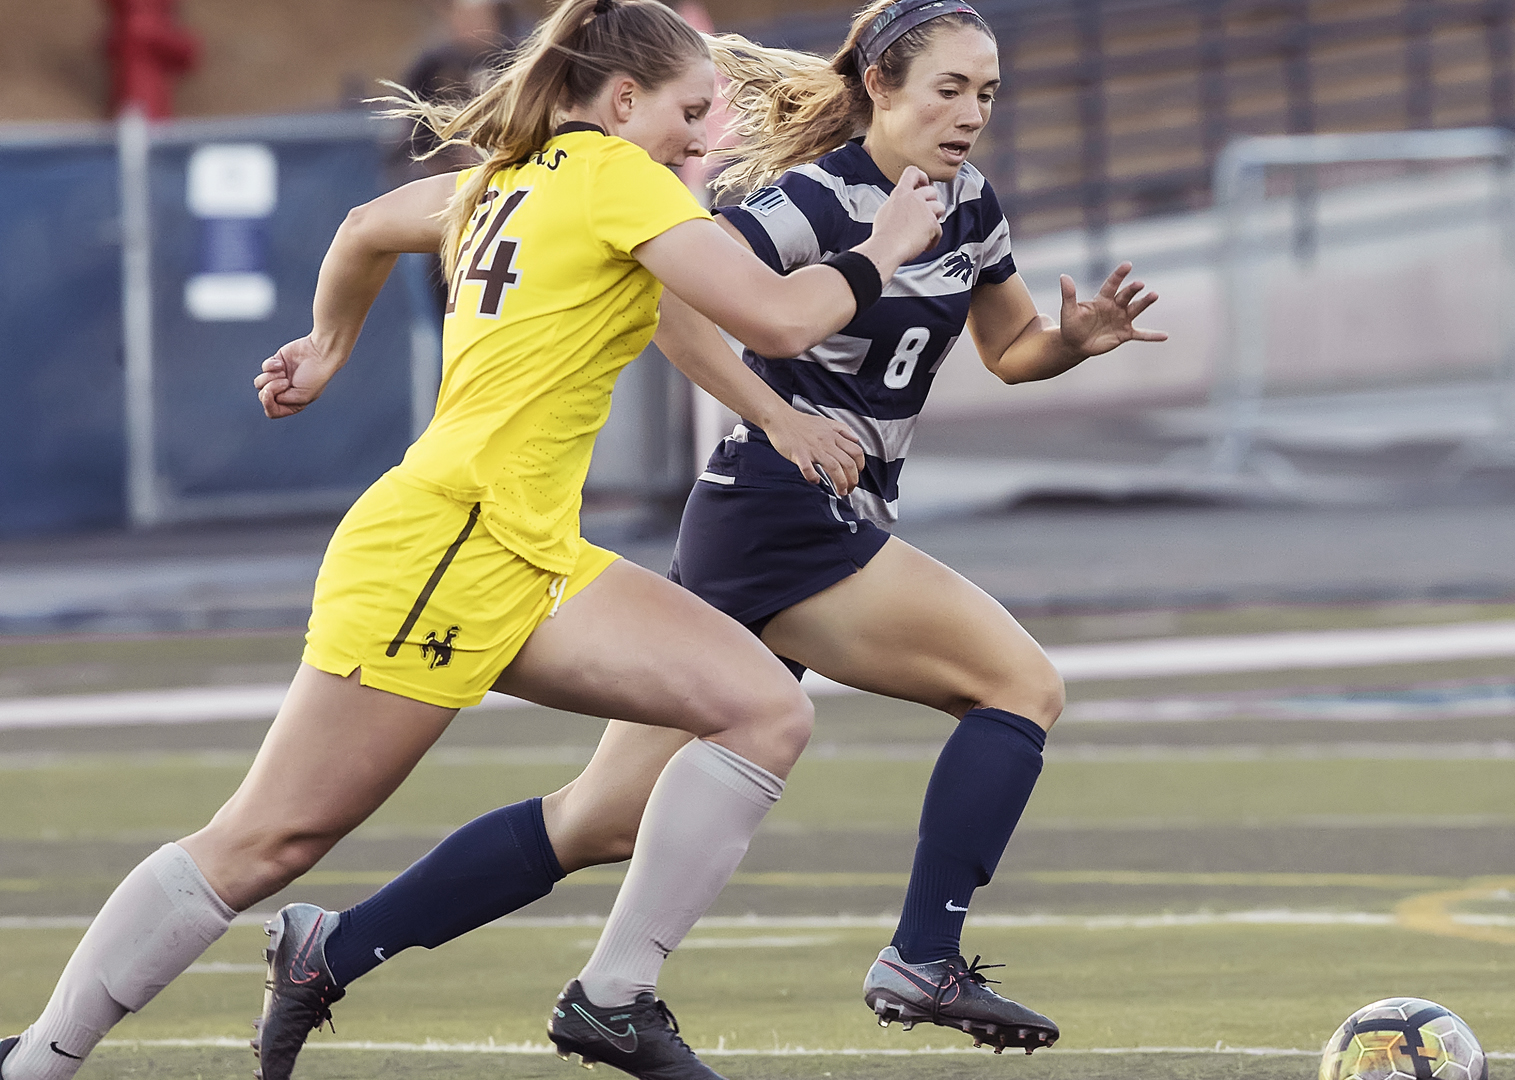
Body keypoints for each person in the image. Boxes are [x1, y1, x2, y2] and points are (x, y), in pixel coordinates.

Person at [0, 4, 943, 1080]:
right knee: (269, 840)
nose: (698, 136)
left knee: (761, 707)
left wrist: (326, 346)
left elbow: (365, 226)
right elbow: (779, 319)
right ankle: (41, 1062)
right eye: (688, 112)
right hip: (446, 548)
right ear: (622, 101)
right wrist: (887, 244)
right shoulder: (612, 173)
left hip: (525, 551)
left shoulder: (516, 175)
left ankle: (613, 999)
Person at [245, 0, 1165, 1067]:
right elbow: (668, 294)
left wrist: (1075, 344)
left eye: (987, 93)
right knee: (1021, 685)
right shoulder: (818, 199)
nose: (970, 113)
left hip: (787, 518)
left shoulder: (972, 205)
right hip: (780, 509)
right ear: (881, 85)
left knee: (601, 820)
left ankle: (330, 948)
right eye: (948, 88)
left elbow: (1011, 352)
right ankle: (923, 955)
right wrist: (780, 412)